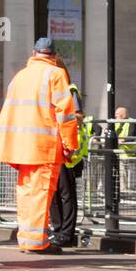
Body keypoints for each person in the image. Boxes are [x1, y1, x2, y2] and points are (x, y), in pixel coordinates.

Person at [0, 37, 78, 255]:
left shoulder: (20, 76)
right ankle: (37, 242)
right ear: (54, 55)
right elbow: (65, 114)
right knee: (40, 194)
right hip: (44, 145)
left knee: (26, 194)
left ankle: (27, 238)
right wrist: (70, 144)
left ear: (34, 53)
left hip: (21, 148)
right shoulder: (55, 74)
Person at [49, 80, 87, 249]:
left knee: (66, 195)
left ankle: (66, 234)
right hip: (53, 148)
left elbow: (78, 117)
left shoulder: (69, 90)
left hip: (68, 151)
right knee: (54, 195)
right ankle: (57, 231)